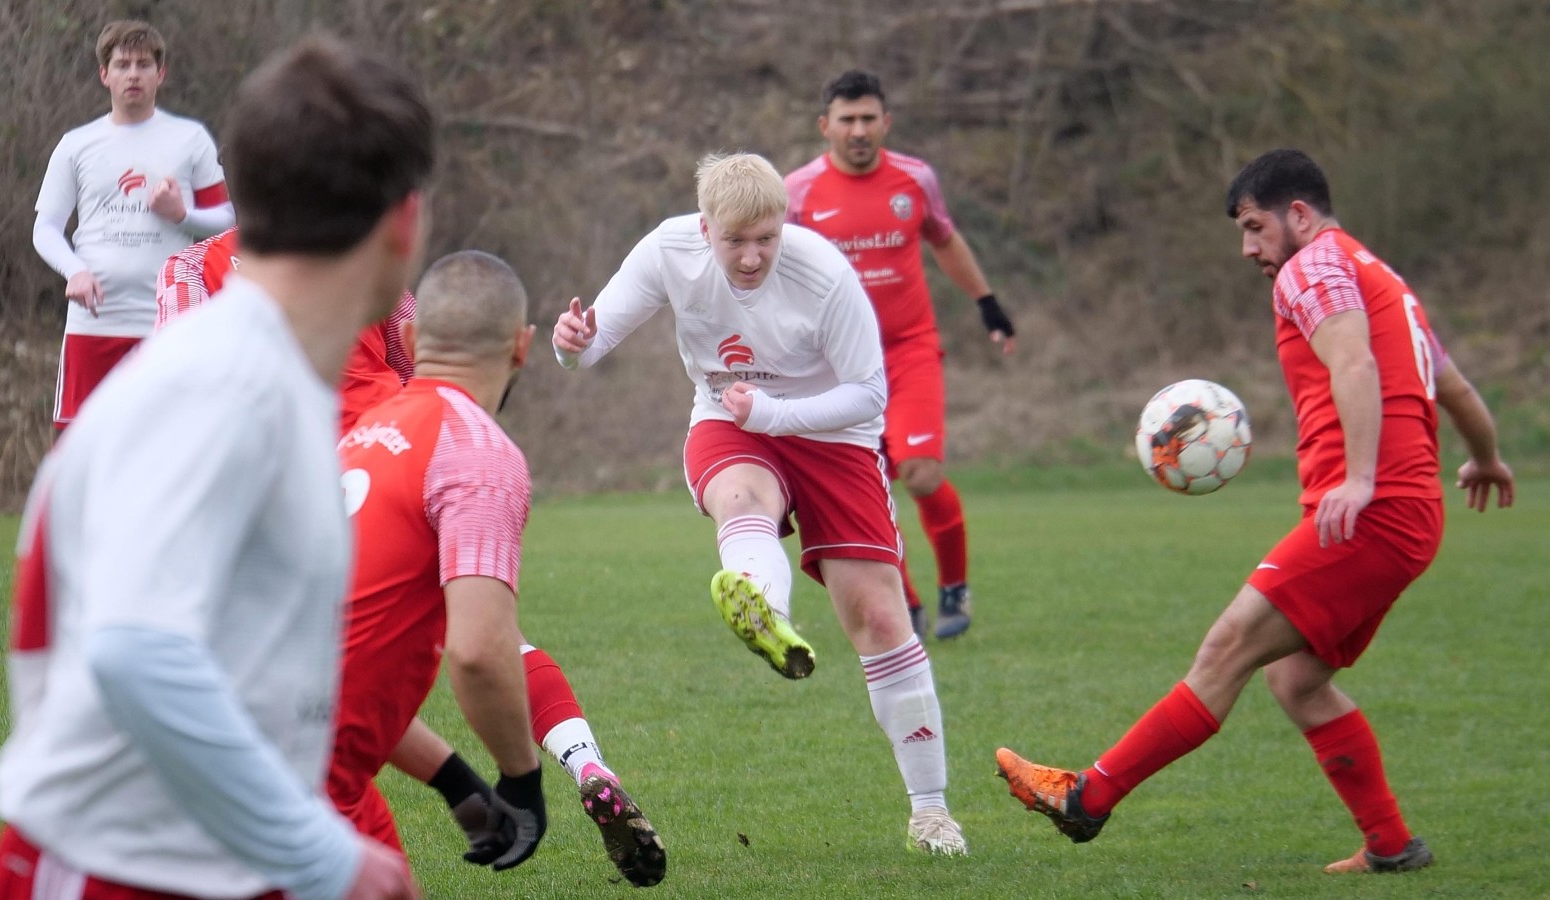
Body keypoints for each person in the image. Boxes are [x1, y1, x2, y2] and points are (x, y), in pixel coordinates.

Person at [0, 35, 455, 900]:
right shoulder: (223, 384)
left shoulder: (268, 376)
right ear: (404, 221)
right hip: (122, 873)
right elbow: (137, 651)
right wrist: (321, 853)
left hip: (218, 860)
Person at [995, 149, 1516, 874]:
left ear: (1298, 215)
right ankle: (1392, 847)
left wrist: (1360, 479)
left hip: (1371, 514)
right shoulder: (1382, 279)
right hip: (1408, 517)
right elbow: (1453, 387)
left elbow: (1355, 365)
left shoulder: (1313, 267)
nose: (1249, 249)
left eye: (1253, 227)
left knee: (1227, 648)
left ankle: (1088, 797)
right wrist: (1487, 456)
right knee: (1296, 680)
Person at [553, 152, 969, 855]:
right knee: (741, 496)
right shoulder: (667, 248)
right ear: (704, 227)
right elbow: (588, 348)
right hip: (728, 420)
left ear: (787, 224)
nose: (752, 257)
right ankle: (764, 612)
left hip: (835, 435)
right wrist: (573, 345)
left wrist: (774, 411)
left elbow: (871, 394)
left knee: (876, 615)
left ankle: (931, 813)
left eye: (766, 239)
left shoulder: (824, 272)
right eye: (735, 241)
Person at [334, 250, 667, 887]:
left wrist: (455, 781)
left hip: (271, 734)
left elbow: (342, 661)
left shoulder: (366, 432)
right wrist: (521, 776)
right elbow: (481, 650)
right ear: (522, 347)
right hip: (288, 775)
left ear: (405, 338)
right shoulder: (477, 455)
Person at [785, 70, 1016, 640]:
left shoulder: (915, 179)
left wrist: (987, 303)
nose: (859, 131)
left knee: (919, 471)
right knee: (872, 486)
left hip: (910, 349)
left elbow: (944, 239)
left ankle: (953, 588)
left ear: (886, 123)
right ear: (825, 127)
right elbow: (772, 270)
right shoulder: (797, 192)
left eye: (869, 119)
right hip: (837, 361)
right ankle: (906, 602)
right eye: (847, 120)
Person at [32, 20, 235, 431]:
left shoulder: (191, 139)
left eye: (144, 65)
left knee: (167, 450)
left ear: (160, 74)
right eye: (122, 65)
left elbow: (228, 220)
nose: (133, 74)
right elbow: (46, 228)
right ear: (104, 74)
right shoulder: (77, 144)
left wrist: (183, 214)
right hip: (95, 322)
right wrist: (76, 271)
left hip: (169, 323)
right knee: (75, 451)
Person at [156, 226, 414, 433]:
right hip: (379, 442)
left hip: (286, 448)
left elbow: (181, 383)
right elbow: (422, 354)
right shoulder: (365, 249)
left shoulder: (192, 265)